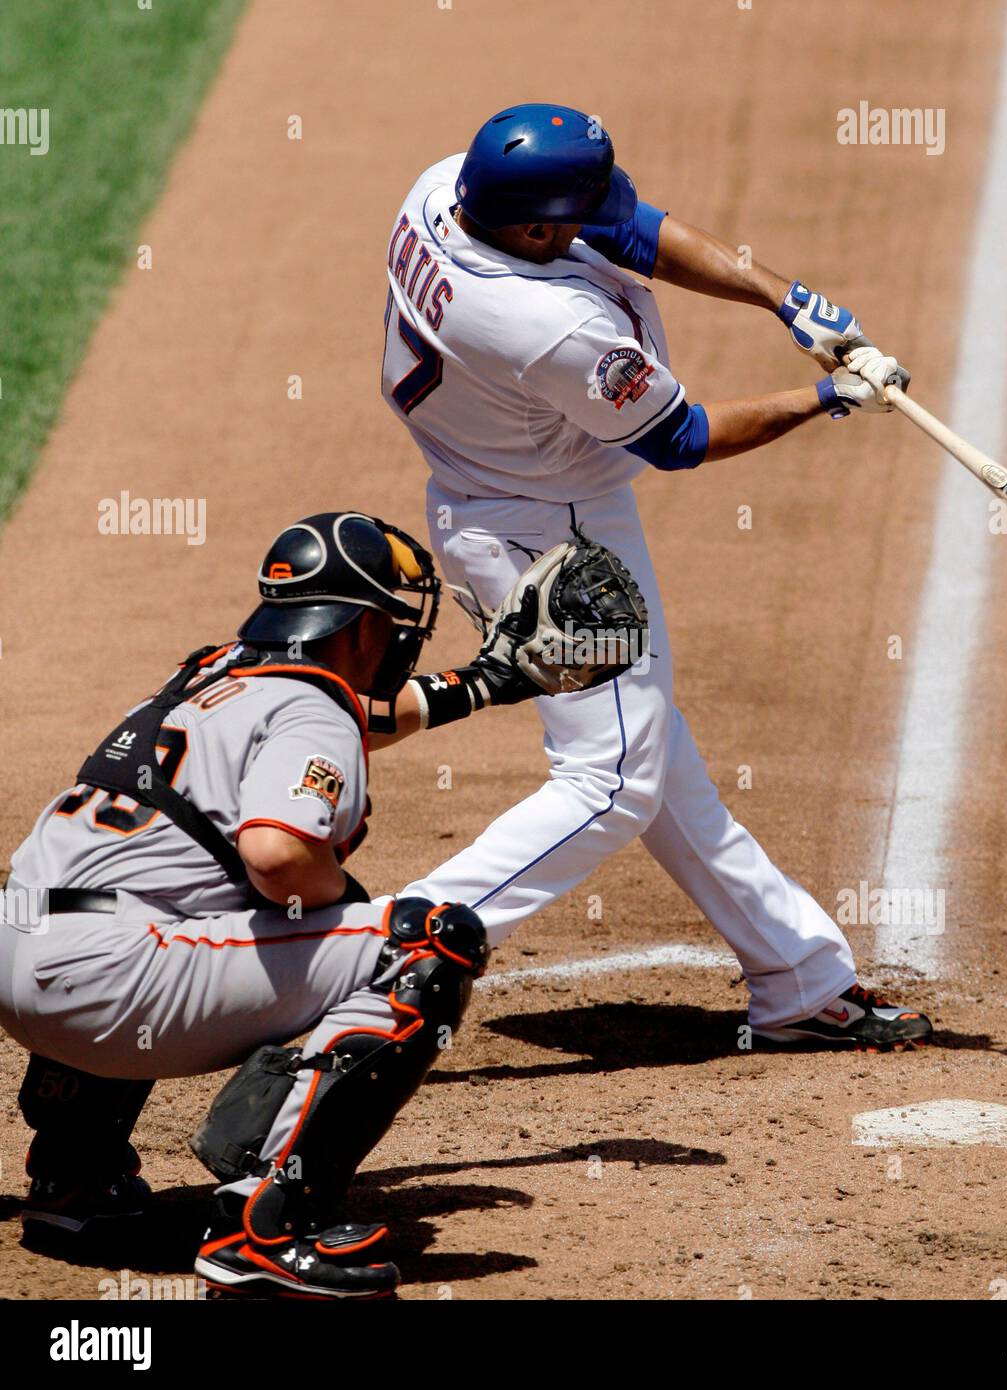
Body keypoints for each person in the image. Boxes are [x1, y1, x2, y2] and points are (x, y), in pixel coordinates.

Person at [379, 102, 931, 1052]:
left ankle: (801, 980)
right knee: (610, 780)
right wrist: (828, 396)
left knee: (648, 751)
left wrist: (783, 299)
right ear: (536, 227)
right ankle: (386, 951)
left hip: (507, 498)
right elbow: (682, 439)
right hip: (554, 546)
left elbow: (630, 228)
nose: (598, 218)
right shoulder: (546, 328)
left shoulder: (446, 188)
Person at [0, 510, 622, 1299]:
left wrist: (487, 684)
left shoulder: (217, 672)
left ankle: (74, 1182)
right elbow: (278, 853)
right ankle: (262, 1228)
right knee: (426, 943)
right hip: (109, 987)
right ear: (362, 629)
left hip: (24, 955)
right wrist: (341, 912)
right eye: (395, 621)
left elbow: (338, 722)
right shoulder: (310, 709)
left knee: (166, 899)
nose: (403, 637)